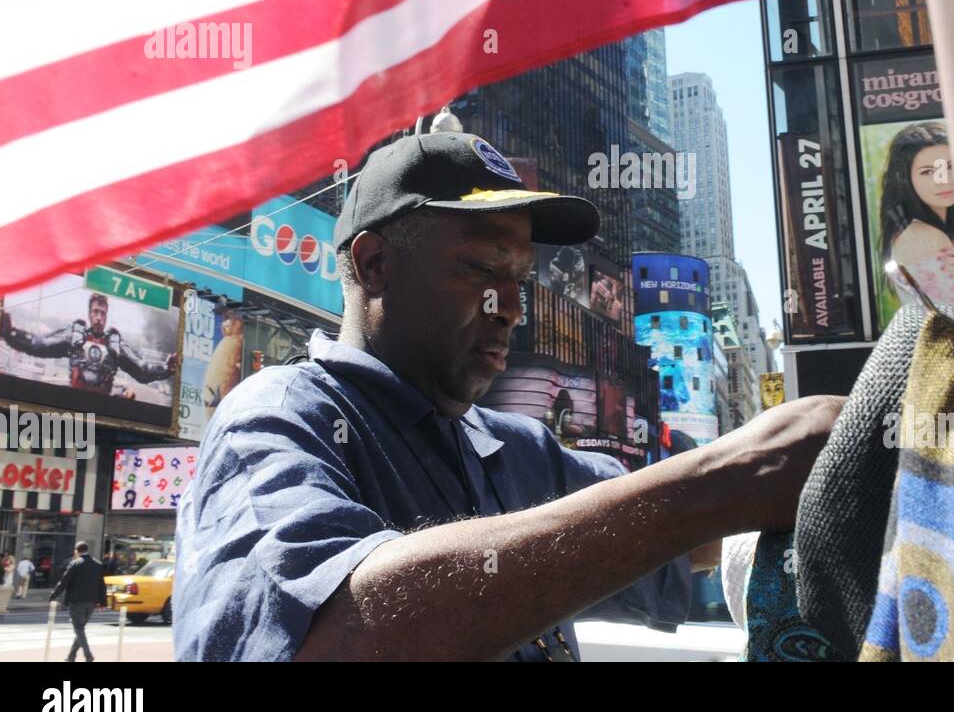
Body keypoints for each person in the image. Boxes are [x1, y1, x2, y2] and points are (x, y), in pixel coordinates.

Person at [174, 131, 841, 661]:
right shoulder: (280, 419)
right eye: (484, 270)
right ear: (375, 262)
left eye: (523, 276)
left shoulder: (514, 450)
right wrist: (726, 481)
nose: (513, 307)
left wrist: (817, 473)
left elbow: (668, 530)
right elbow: (340, 633)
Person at [0, 292, 178, 396]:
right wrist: (10, 333)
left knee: (129, 396)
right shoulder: (74, 336)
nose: (99, 317)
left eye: (103, 312)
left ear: (106, 315)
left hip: (103, 407)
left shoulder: (114, 344)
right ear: (90, 314)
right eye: (96, 312)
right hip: (72, 406)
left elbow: (142, 370)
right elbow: (40, 345)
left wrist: (166, 368)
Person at [878, 122, 954, 307]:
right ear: (905, 180)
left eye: (950, 167)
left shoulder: (926, 230)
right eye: (927, 172)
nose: (943, 180)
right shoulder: (924, 237)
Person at [49, 542, 108, 662]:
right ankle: (71, 656)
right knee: (80, 629)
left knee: (79, 629)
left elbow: (64, 581)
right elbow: (102, 585)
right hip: (91, 602)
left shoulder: (75, 563)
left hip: (76, 601)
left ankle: (88, 655)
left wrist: (53, 595)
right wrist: (103, 602)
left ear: (77, 551)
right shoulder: (98, 564)